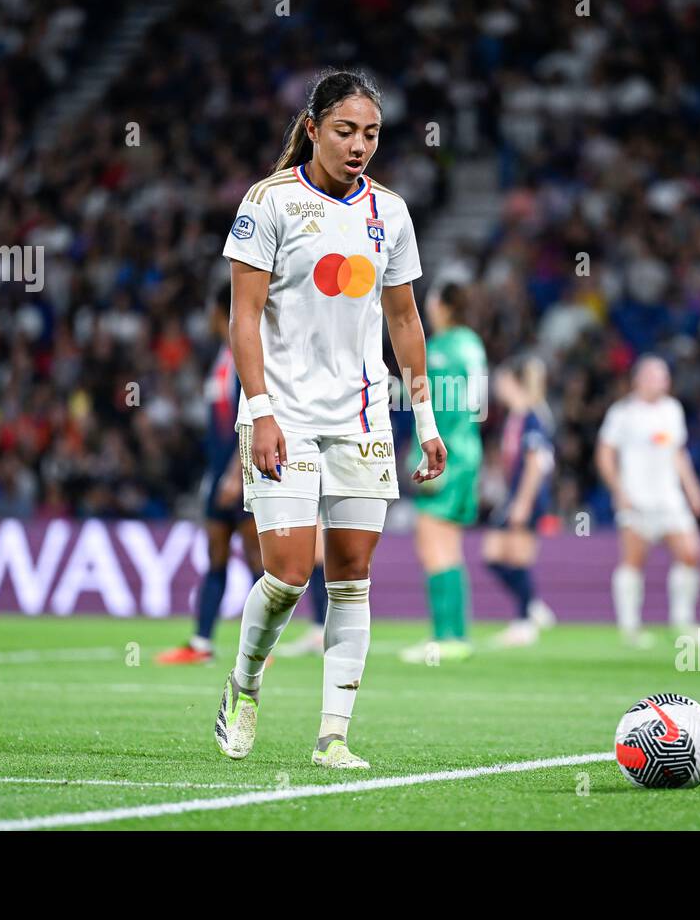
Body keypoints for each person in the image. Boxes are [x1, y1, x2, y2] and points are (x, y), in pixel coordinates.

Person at [214, 69, 446, 770]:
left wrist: (426, 419)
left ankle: (333, 736)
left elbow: (404, 319)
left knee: (351, 576)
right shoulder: (269, 204)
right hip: (282, 413)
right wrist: (259, 413)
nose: (359, 145)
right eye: (345, 130)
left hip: (363, 417)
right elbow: (243, 317)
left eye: (371, 133)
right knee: (287, 571)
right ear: (312, 127)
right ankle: (244, 686)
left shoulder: (392, 213)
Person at [157, 289, 269, 664]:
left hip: (241, 474)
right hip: (219, 473)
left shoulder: (245, 352)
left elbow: (250, 417)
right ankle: (201, 643)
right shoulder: (222, 355)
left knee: (257, 559)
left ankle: (260, 648)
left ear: (221, 310)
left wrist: (237, 474)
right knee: (215, 554)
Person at [398, 283, 486, 664]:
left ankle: (444, 636)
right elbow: (477, 404)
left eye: (431, 300)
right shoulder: (473, 344)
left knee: (432, 543)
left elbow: (442, 408)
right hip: (470, 447)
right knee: (449, 545)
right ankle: (457, 635)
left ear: (444, 306)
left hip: (447, 450)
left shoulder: (440, 350)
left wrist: (429, 452)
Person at [595, 356, 700, 647]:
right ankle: (630, 628)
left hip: (669, 498)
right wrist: (619, 489)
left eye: (664, 377)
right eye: (656, 377)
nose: (662, 383)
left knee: (691, 553)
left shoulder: (672, 410)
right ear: (639, 380)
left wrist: (692, 489)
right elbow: (604, 454)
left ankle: (683, 621)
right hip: (637, 500)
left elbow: (678, 453)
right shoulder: (623, 413)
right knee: (633, 561)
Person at [482, 355, 557, 648]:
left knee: (515, 557)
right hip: (514, 495)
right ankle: (531, 606)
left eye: (500, 381)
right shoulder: (515, 417)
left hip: (528, 496)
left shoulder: (532, 416)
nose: (496, 387)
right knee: (495, 557)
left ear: (513, 382)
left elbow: (536, 462)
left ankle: (525, 620)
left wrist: (523, 502)